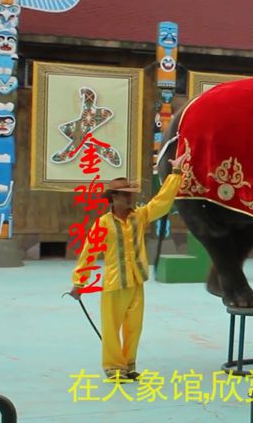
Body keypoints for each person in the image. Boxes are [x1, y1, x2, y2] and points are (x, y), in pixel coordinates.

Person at [69, 152, 188, 381]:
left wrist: (175, 173)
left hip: (136, 281)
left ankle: (129, 364)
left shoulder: (139, 217)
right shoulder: (103, 224)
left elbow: (161, 202)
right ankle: (114, 366)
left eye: (130, 195)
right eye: (124, 195)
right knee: (112, 327)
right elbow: (88, 254)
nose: (129, 199)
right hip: (114, 283)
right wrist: (79, 283)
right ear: (113, 197)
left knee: (134, 326)